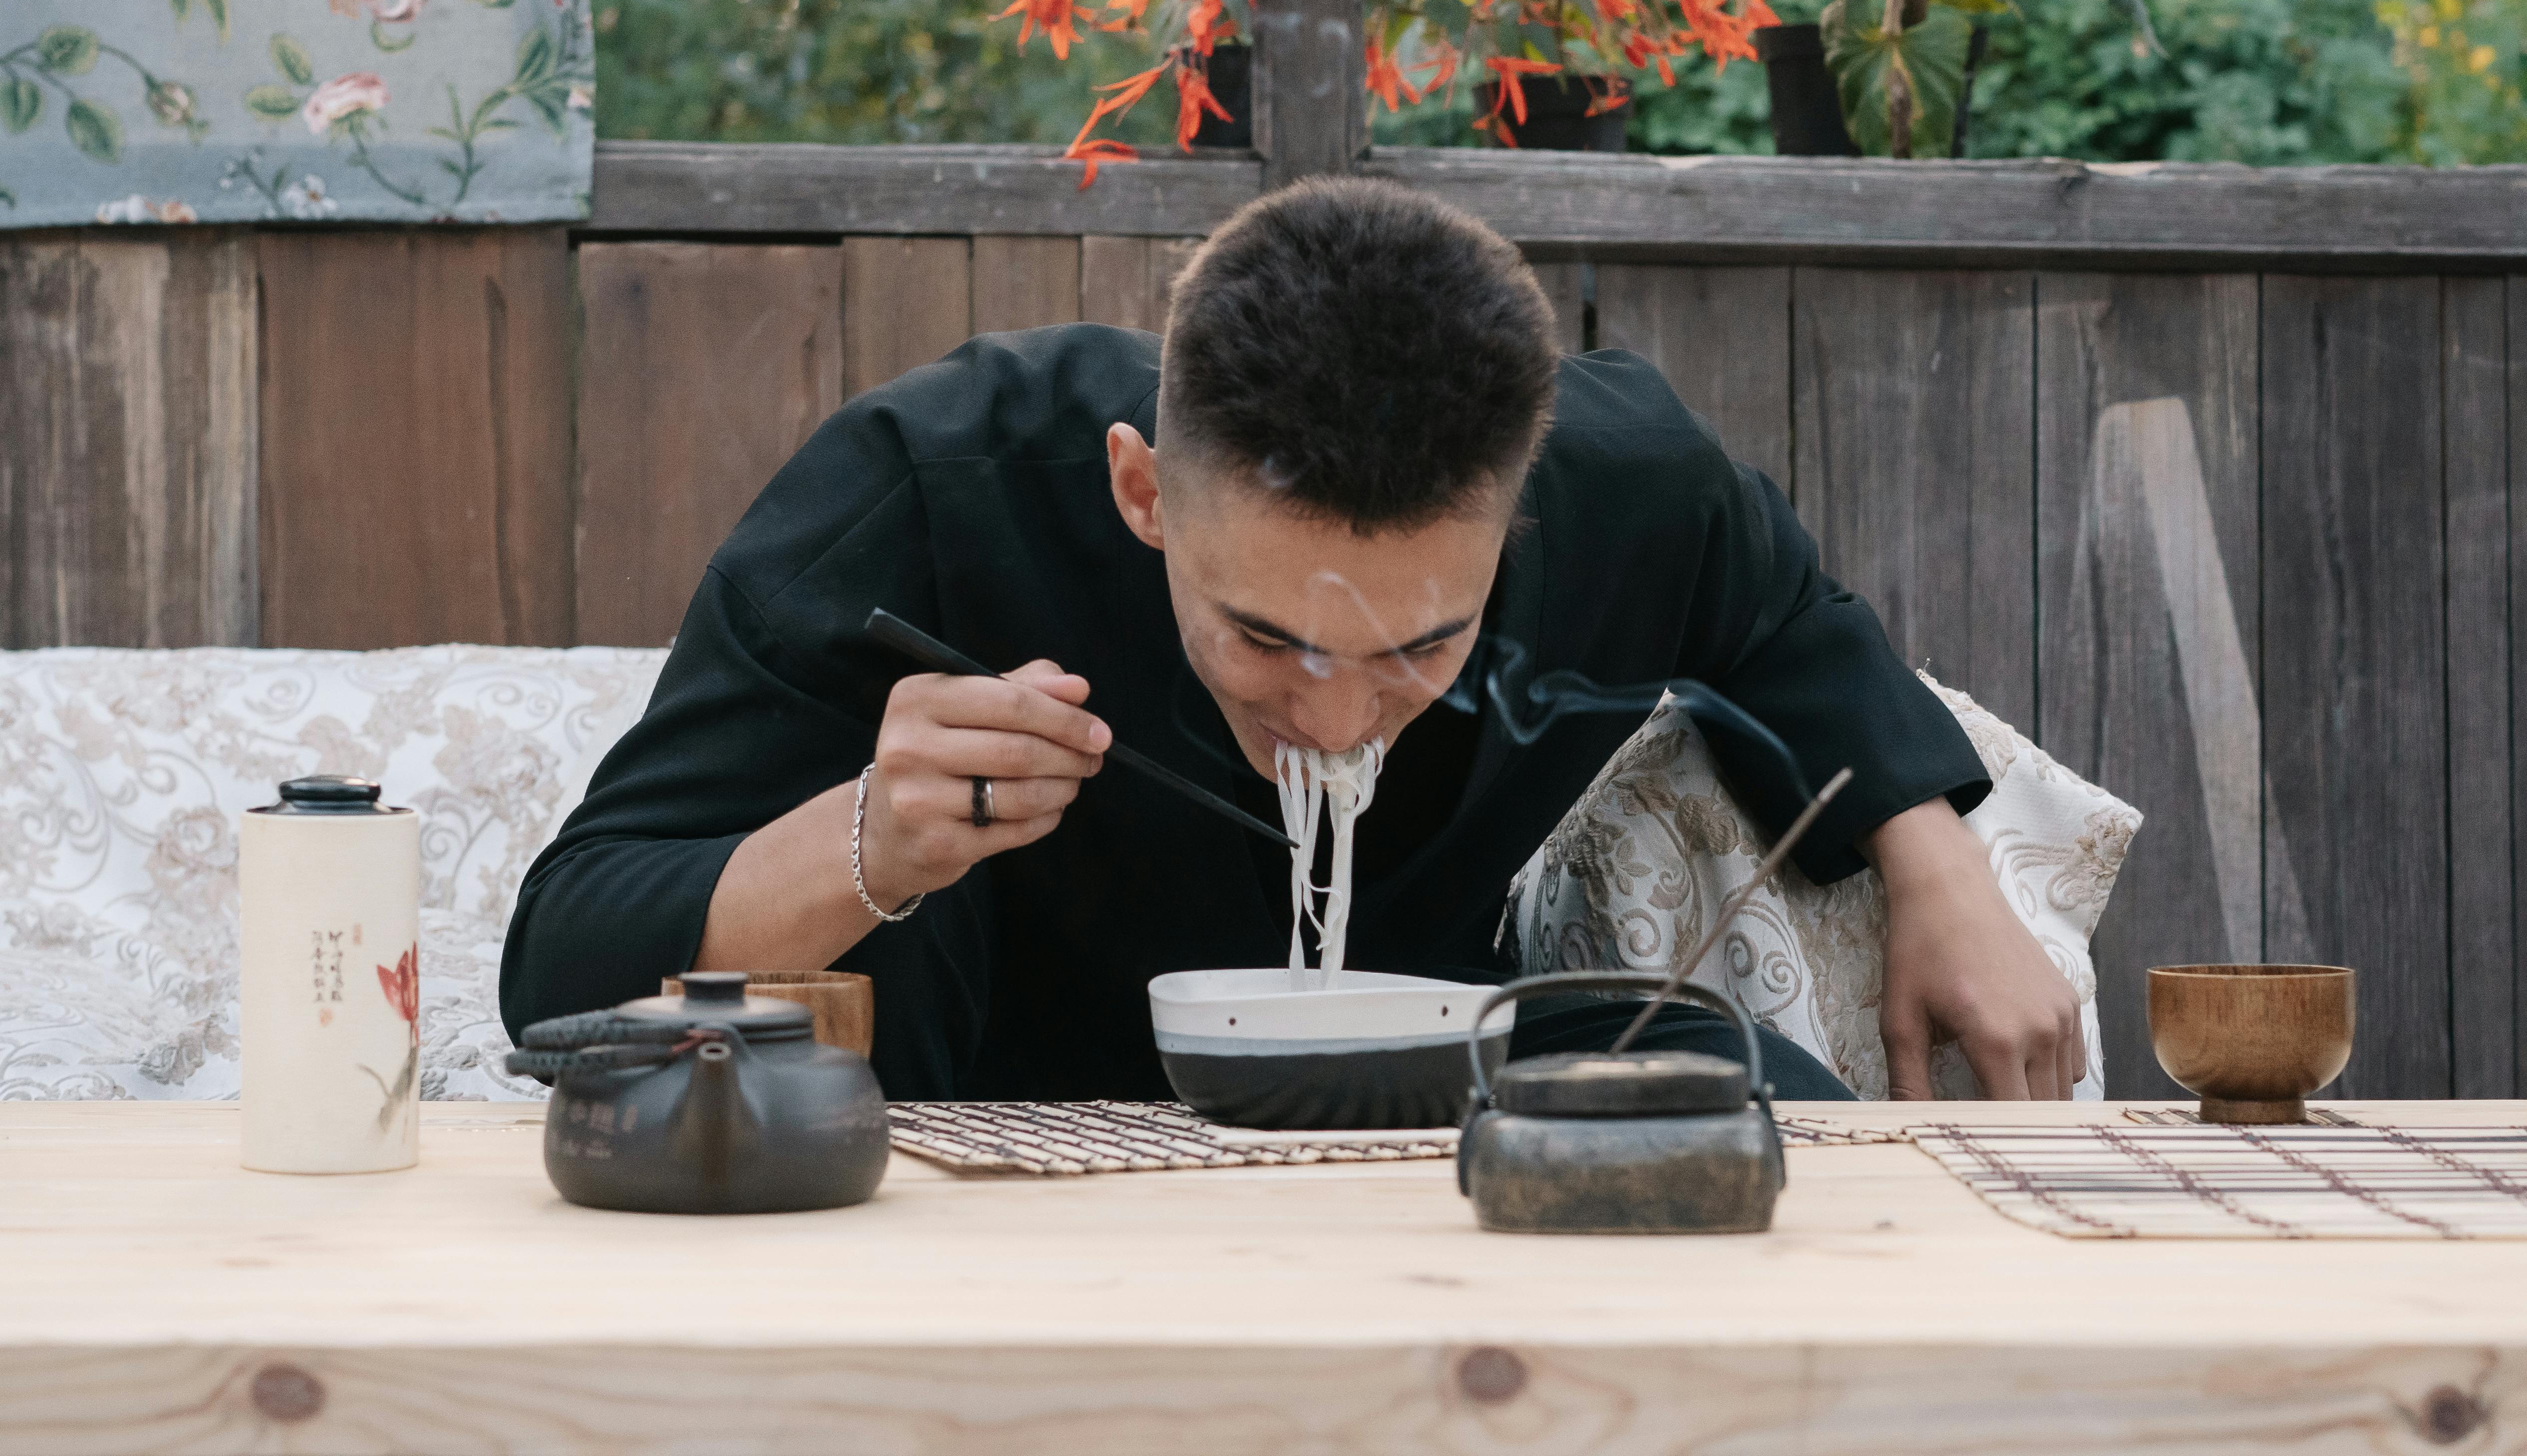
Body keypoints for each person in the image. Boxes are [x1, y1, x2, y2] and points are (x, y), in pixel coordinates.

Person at [500, 177, 2082, 1103]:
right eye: (1265, 636)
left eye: (1417, 645)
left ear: (1521, 509)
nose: (1339, 724)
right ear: (1141, 491)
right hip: (979, 1123)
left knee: (1769, 1116)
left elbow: (1787, 615)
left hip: (1435, 1085)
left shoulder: (1622, 478)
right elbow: (558, 956)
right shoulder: (927, 488)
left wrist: (1936, 859)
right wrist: (864, 841)